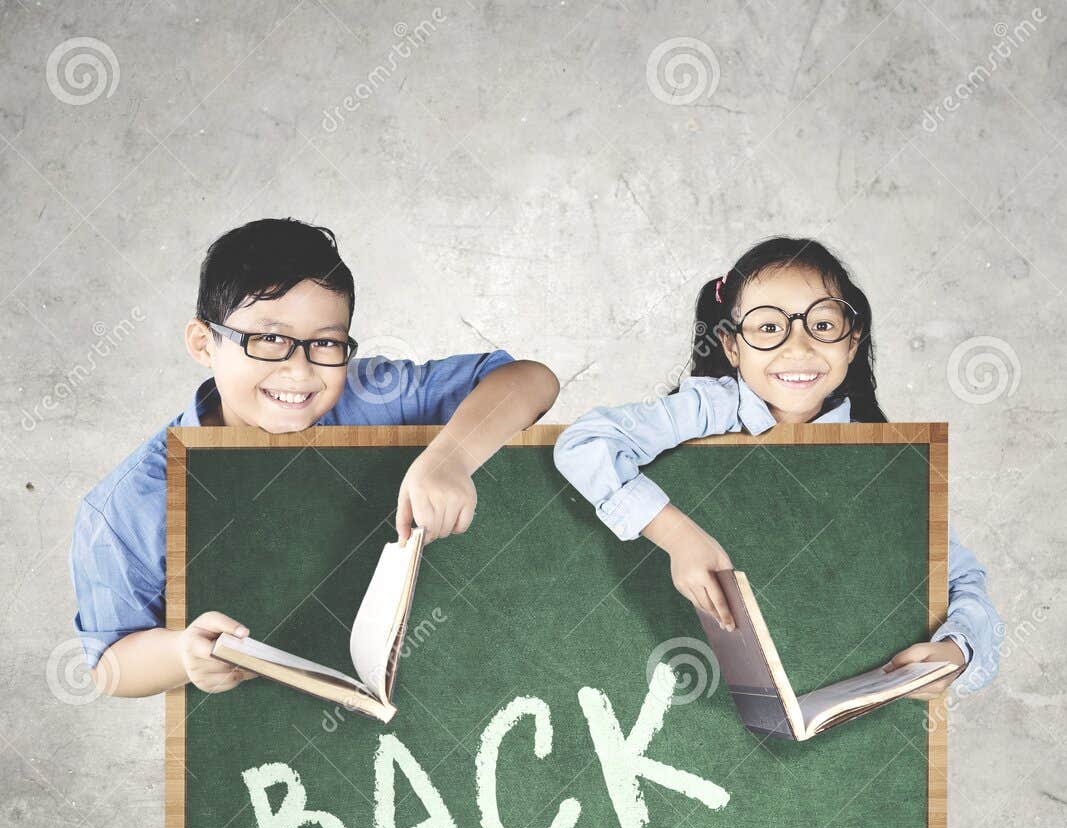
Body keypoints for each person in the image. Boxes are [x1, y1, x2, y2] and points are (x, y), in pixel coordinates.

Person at [70, 217, 559, 696]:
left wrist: (450, 457)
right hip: (256, 736)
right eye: (268, 340)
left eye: (326, 343)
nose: (299, 371)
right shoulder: (130, 502)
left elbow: (531, 380)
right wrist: (182, 653)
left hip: (422, 689)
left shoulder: (372, 397)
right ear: (205, 343)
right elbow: (110, 663)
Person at [554, 236, 1001, 698]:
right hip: (681, 681)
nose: (798, 347)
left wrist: (957, 650)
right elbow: (586, 444)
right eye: (768, 328)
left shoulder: (884, 463)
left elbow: (963, 580)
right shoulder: (707, 410)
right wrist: (677, 536)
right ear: (731, 346)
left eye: (823, 324)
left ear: (852, 340)